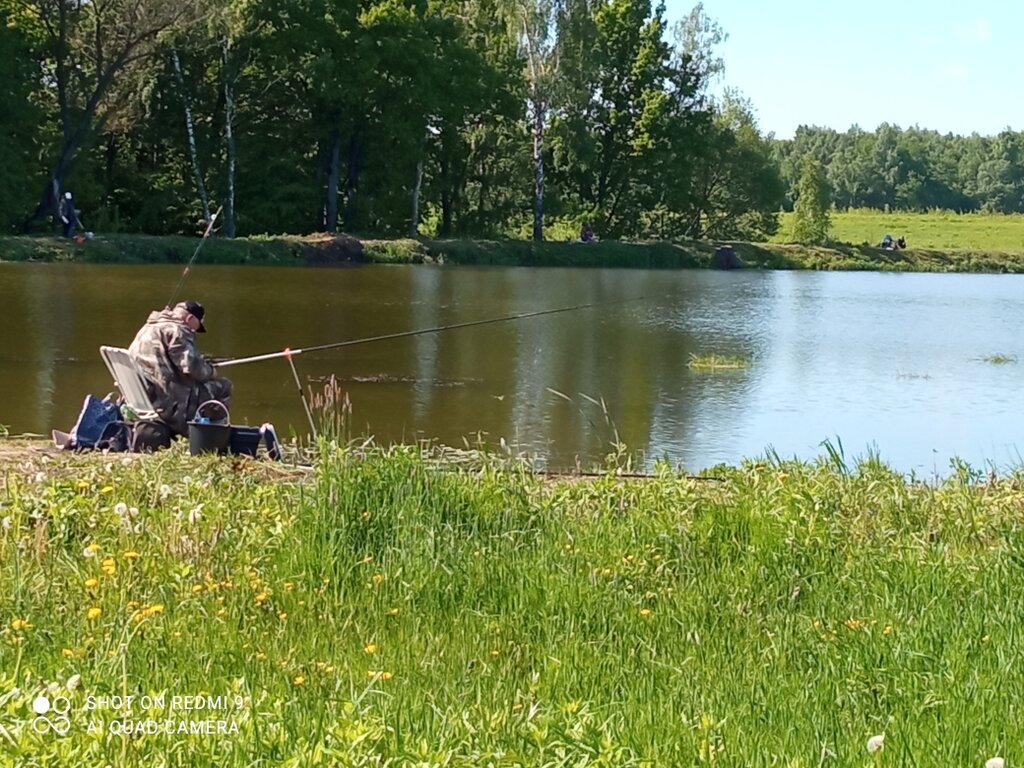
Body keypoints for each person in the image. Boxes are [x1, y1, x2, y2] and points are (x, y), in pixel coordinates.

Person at [128, 300, 233, 437]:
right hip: (167, 402)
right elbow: (192, 369)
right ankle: (208, 437)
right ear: (189, 318)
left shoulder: (148, 327)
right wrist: (211, 370)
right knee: (224, 386)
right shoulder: (178, 330)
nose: (194, 331)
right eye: (195, 327)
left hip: (144, 395)